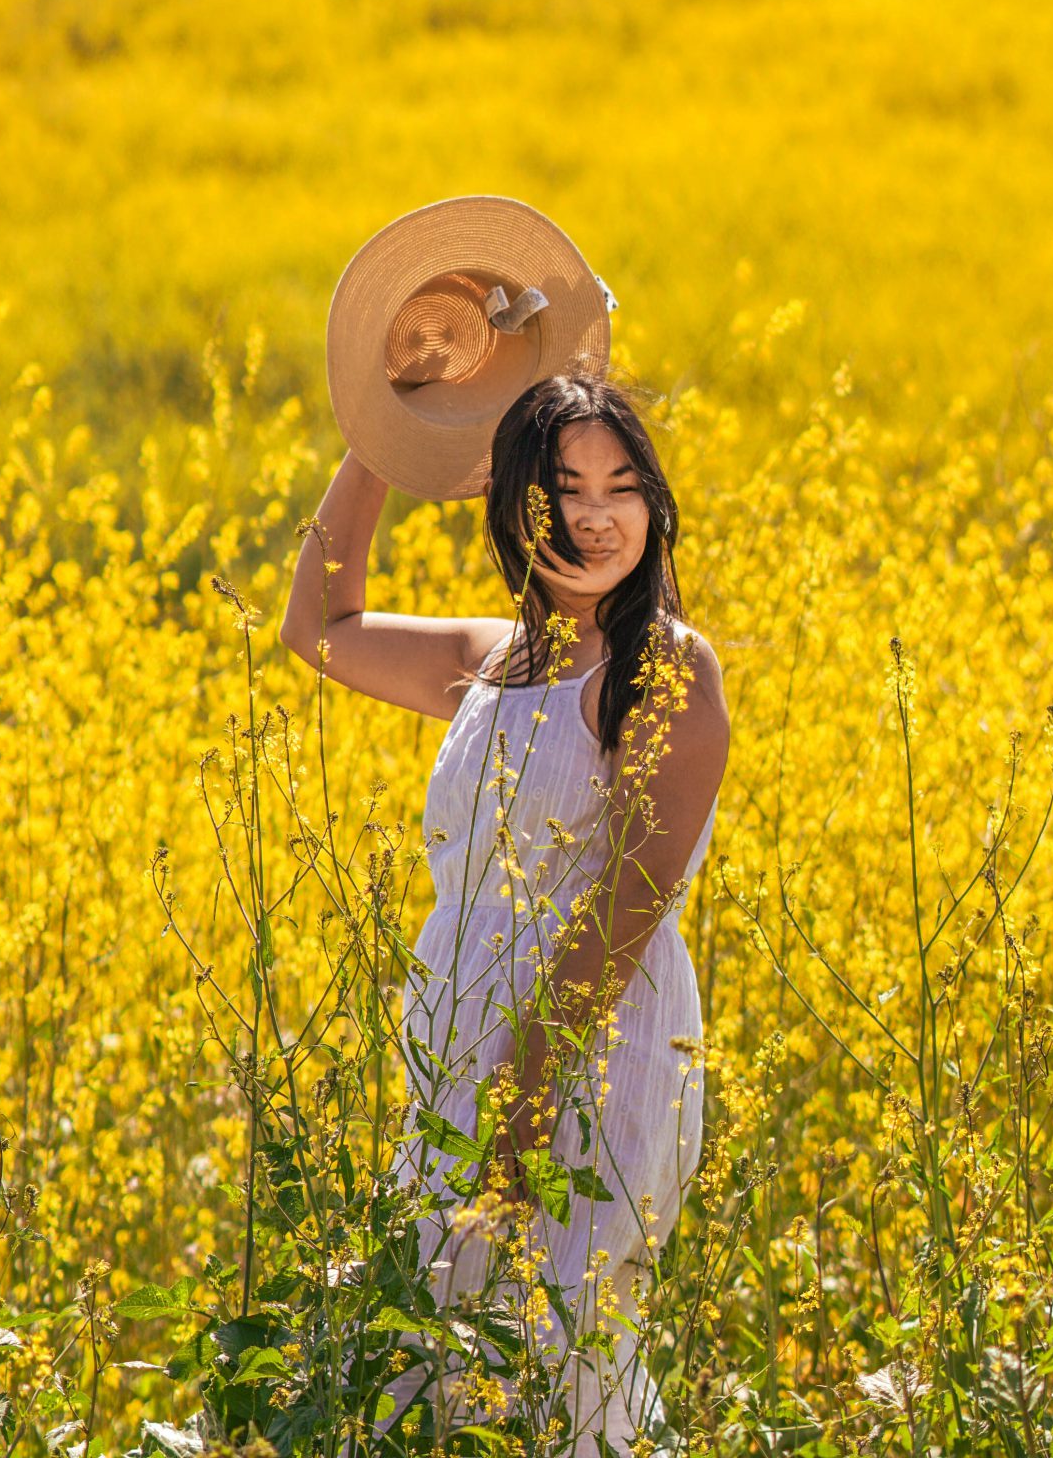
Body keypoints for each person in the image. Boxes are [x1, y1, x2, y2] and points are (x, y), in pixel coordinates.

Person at [280, 368, 730, 1457]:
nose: (598, 515)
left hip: (587, 1062)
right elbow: (319, 622)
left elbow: (632, 896)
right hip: (463, 1065)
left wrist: (526, 1095)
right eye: (566, 487)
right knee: (437, 1372)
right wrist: (387, 438)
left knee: (564, 1369)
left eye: (623, 487)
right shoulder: (491, 661)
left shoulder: (663, 666)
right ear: (515, 501)